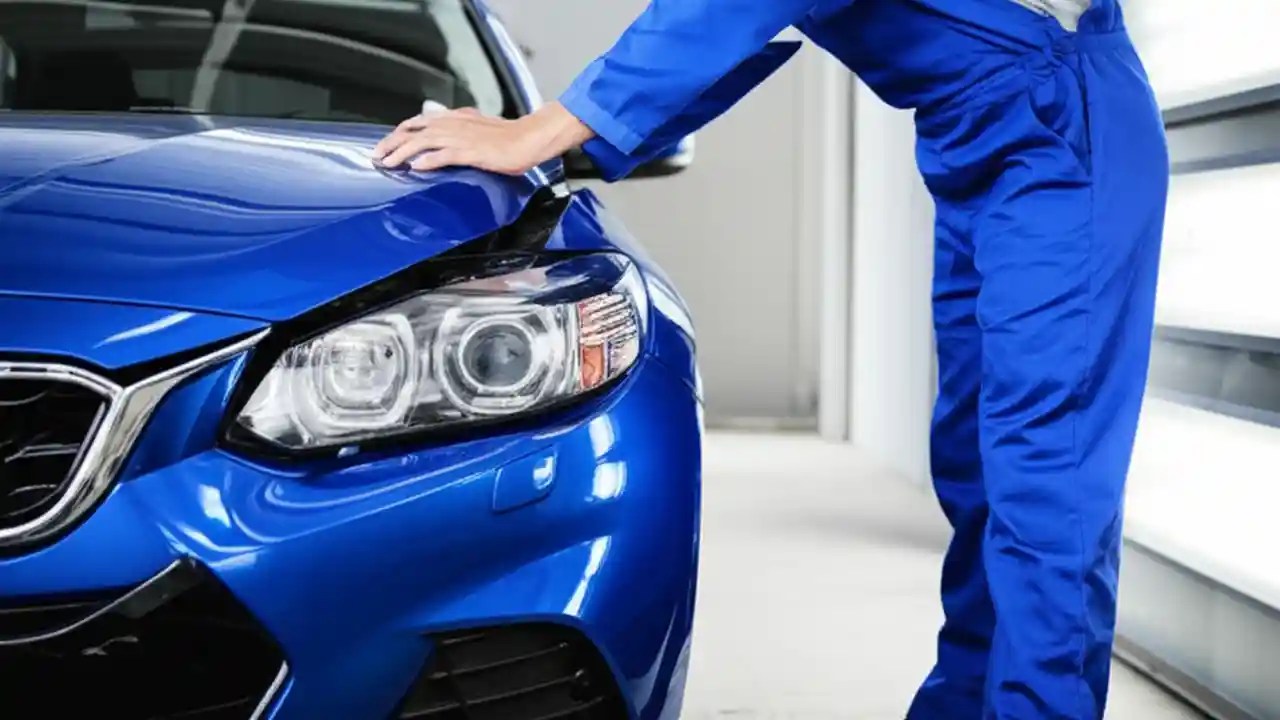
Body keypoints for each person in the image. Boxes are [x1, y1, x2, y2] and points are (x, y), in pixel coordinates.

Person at [373, 0, 1169, 717]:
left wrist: (548, 127)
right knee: (976, 471)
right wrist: (580, 141)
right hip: (978, 140)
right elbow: (744, 30)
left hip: (1063, 129)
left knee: (1046, 478)